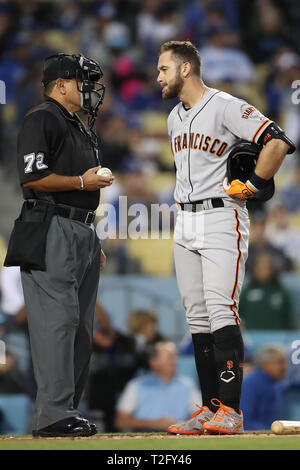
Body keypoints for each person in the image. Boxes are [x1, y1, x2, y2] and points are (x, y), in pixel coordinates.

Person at [156, 40, 295, 435]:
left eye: (164, 68)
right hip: (186, 219)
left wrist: (252, 185)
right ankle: (209, 407)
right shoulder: (171, 119)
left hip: (221, 216)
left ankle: (231, 411)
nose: (158, 76)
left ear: (186, 69)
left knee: (220, 309)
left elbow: (278, 141)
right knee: (197, 317)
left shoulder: (224, 105)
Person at [4, 53, 114, 438]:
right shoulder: (43, 117)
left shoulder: (78, 125)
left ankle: (65, 411)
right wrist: (82, 183)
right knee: (59, 323)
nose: (89, 90)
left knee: (81, 328)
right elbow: (33, 177)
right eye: (83, 82)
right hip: (51, 226)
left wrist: (89, 235)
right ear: (61, 84)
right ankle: (51, 416)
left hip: (80, 230)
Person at [114, 341, 201, 432]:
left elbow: (200, 417)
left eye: (175, 357)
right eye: (170, 357)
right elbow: (120, 421)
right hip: (144, 440)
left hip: (180, 437)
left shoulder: (188, 385)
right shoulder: (136, 385)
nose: (175, 361)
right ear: (153, 362)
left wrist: (179, 424)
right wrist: (153, 423)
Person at [239, 252, 295, 330]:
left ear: (273, 270)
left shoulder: (281, 292)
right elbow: (238, 316)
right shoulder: (246, 292)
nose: (264, 272)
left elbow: (290, 319)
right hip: (251, 338)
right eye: (260, 268)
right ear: (255, 270)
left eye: (267, 268)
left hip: (278, 338)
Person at [240, 345, 288, 430]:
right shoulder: (251, 384)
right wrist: (271, 431)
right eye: (280, 362)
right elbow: (244, 421)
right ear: (266, 364)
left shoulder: (274, 384)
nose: (285, 367)